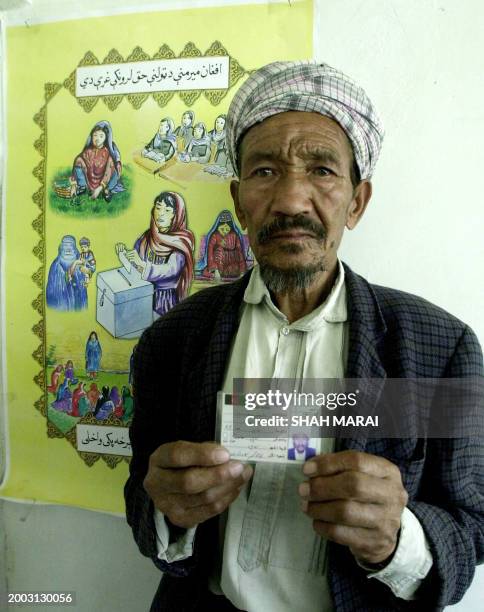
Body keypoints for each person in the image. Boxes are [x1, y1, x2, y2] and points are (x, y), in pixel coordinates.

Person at [125, 61, 484, 611]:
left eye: (321, 170)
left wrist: (397, 539)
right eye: (265, 171)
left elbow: (472, 528)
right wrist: (170, 513)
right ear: (239, 198)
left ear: (357, 202)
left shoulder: (442, 348)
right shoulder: (171, 340)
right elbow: (142, 500)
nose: (292, 201)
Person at [116, 191, 194, 317]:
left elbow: (170, 270)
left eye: (167, 210)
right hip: (143, 295)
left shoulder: (181, 242)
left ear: (177, 215)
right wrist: (124, 256)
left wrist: (142, 265)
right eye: (158, 208)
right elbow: (135, 264)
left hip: (165, 301)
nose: (161, 214)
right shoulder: (146, 238)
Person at [70, 120, 124, 202]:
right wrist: (73, 185)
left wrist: (99, 188)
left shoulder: (107, 153)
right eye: (95, 135)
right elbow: (77, 164)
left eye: (101, 136)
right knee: (78, 160)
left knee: (114, 173)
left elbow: (108, 172)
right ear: (91, 137)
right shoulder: (88, 151)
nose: (97, 139)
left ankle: (106, 190)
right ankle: (82, 187)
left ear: (105, 138)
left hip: (104, 181)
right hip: (90, 181)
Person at [198, 210, 247, 281]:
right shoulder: (215, 235)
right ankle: (216, 271)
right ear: (218, 227)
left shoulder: (234, 235)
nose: (224, 231)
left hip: (232, 263)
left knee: (237, 252)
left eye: (227, 229)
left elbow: (240, 251)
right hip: (218, 263)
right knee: (219, 250)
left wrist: (242, 270)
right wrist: (214, 268)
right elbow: (210, 251)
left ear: (230, 227)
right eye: (222, 229)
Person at [46, 235, 87, 311]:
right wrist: (75, 263)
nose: (68, 249)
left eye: (70, 245)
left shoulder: (79, 262)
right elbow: (64, 279)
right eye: (65, 245)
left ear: (74, 248)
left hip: (77, 301)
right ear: (61, 248)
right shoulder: (56, 265)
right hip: (62, 302)